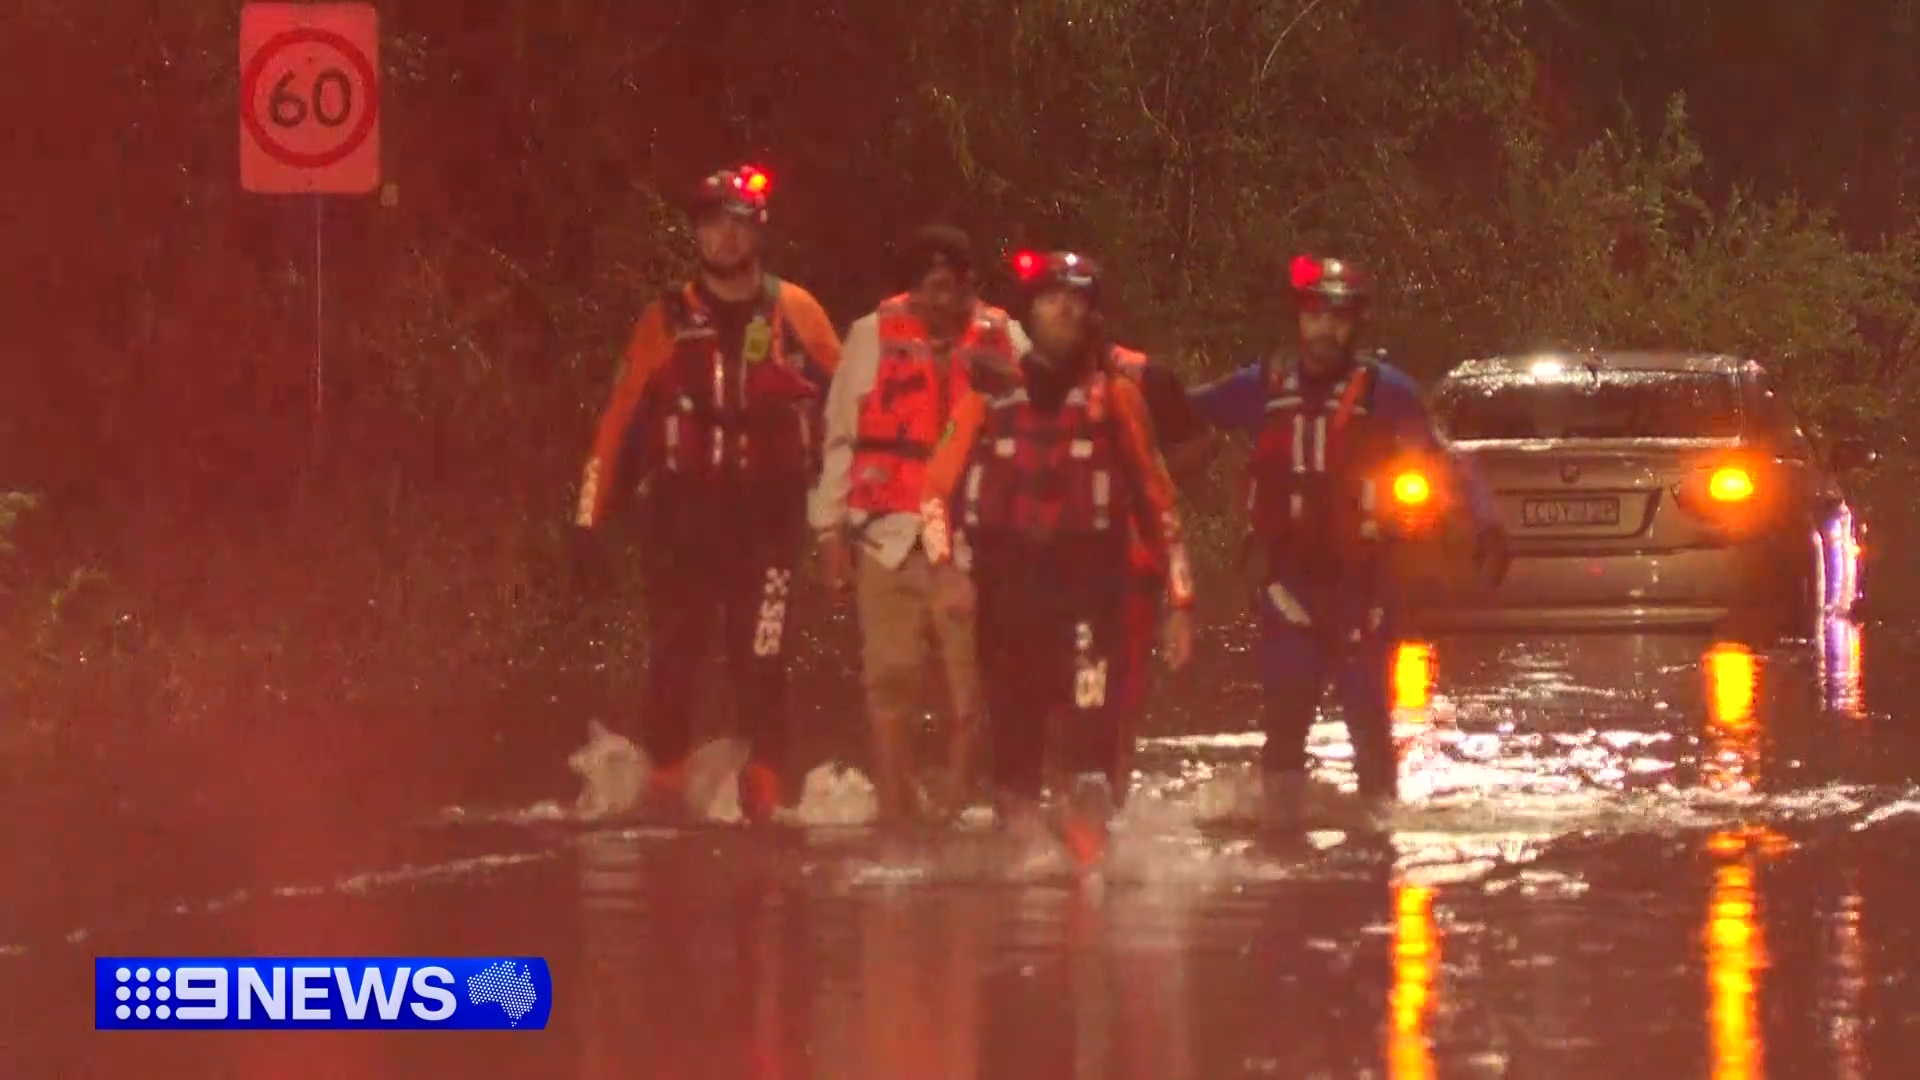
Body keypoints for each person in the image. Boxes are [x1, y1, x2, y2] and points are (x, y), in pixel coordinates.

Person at [1187, 254, 1507, 828]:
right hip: (1286, 584)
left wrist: (1485, 522)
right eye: (1314, 316)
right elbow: (1184, 410)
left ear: (1356, 323)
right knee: (1284, 724)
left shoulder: (1388, 393)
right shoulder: (1262, 386)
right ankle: (1282, 847)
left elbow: (1445, 460)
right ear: (1298, 320)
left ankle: (1377, 851)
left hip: (1364, 587)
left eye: (1337, 318)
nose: (1324, 330)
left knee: (1369, 726)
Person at [570, 164, 842, 823]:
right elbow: (619, 422)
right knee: (674, 652)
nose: (723, 237)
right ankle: (664, 788)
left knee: (763, 655)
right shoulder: (663, 319)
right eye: (711, 224)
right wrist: (587, 520)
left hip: (770, 516)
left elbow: (854, 409)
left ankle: (766, 793)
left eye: (737, 223)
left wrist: (847, 512)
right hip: (681, 516)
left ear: (759, 230)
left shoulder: (797, 311)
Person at [920, 250, 1197, 852]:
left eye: (1076, 299)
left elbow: (1159, 502)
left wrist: (1181, 603)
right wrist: (946, 573)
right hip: (1008, 592)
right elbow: (934, 492)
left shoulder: (1117, 398)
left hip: (1091, 592)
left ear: (1092, 314)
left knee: (1090, 739)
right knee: (1014, 741)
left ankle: (1089, 876)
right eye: (1051, 298)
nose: (1064, 309)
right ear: (1031, 310)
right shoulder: (988, 397)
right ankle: (1020, 876)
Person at [810, 225, 1029, 824]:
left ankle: (956, 812)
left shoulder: (1005, 337)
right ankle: (896, 814)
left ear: (970, 290)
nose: (939, 305)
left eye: (952, 291)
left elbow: (1039, 427)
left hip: (970, 544)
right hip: (886, 538)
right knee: (888, 685)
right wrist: (828, 533)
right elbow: (841, 438)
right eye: (927, 289)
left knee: (969, 697)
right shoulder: (871, 335)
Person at [1099, 341, 1213, 805]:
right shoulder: (1013, 383)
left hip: (1126, 572)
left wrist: (1181, 603)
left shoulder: (1138, 386)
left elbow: (1162, 499)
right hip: (1044, 578)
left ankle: (1109, 812)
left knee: (1119, 709)